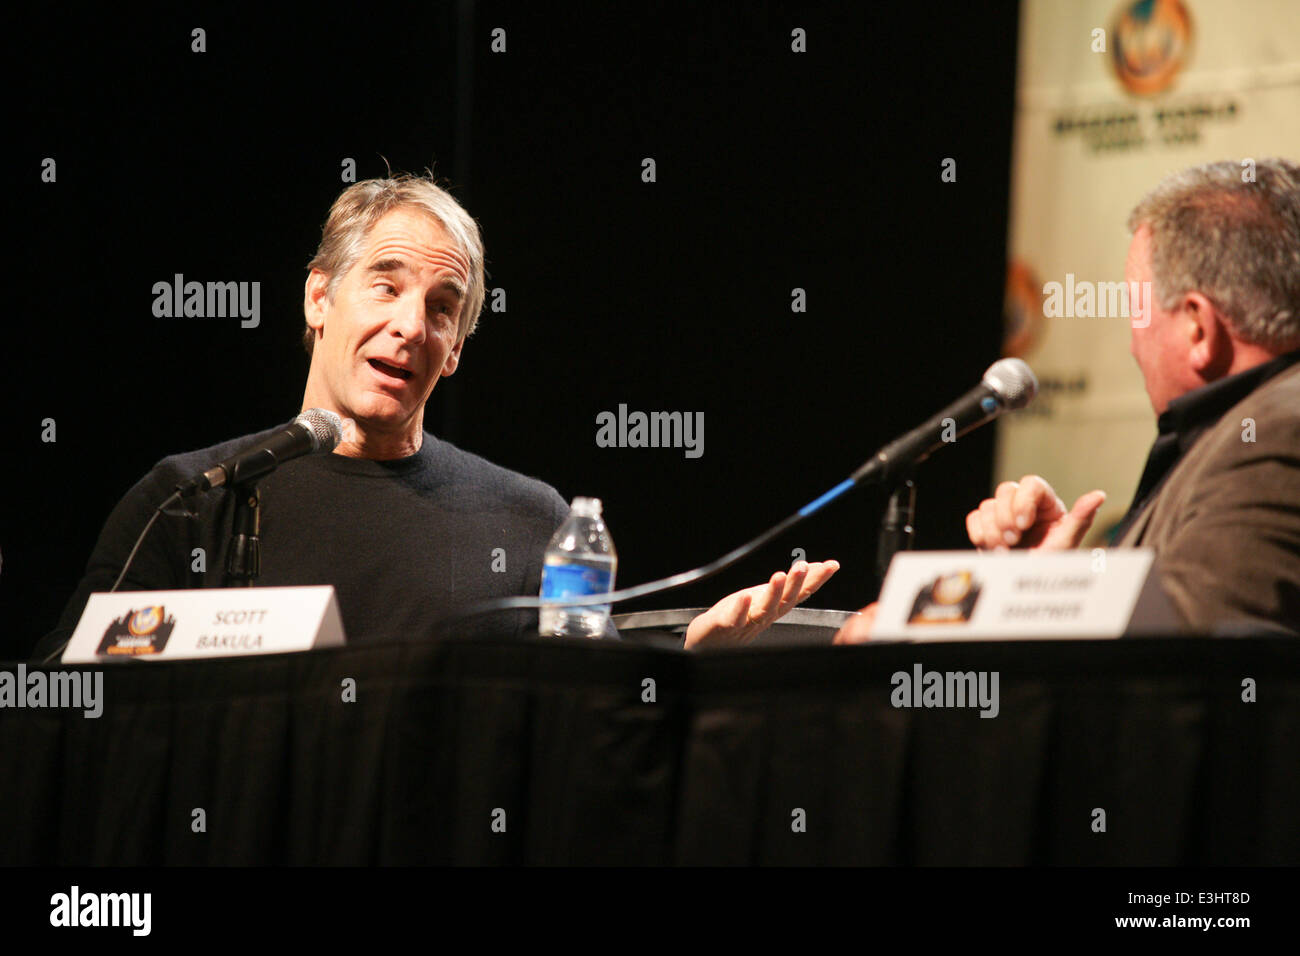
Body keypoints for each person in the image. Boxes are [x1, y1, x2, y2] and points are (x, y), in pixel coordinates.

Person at [33, 174, 836, 659]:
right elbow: (61, 702)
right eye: (386, 284)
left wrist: (687, 660)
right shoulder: (194, 497)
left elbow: (582, 723)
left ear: (454, 350)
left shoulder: (532, 521)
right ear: (319, 297)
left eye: (443, 308)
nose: (412, 324)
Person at [836, 157, 1300, 642]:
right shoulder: (1246, 429)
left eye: (1136, 309)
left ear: (1197, 327)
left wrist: (921, 622)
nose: (1132, 344)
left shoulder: (1277, 436)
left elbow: (1191, 658)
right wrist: (1045, 585)